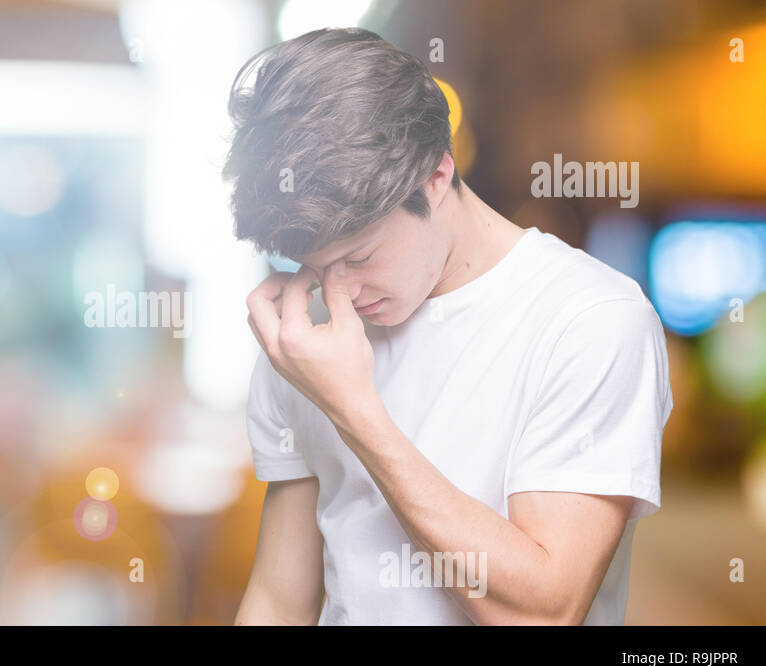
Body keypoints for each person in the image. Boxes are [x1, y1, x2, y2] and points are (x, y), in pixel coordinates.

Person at [224, 28, 672, 625]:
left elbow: (542, 616)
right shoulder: (306, 340)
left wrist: (352, 409)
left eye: (359, 257)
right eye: (316, 267)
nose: (341, 294)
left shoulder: (590, 321)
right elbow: (280, 600)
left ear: (436, 176)